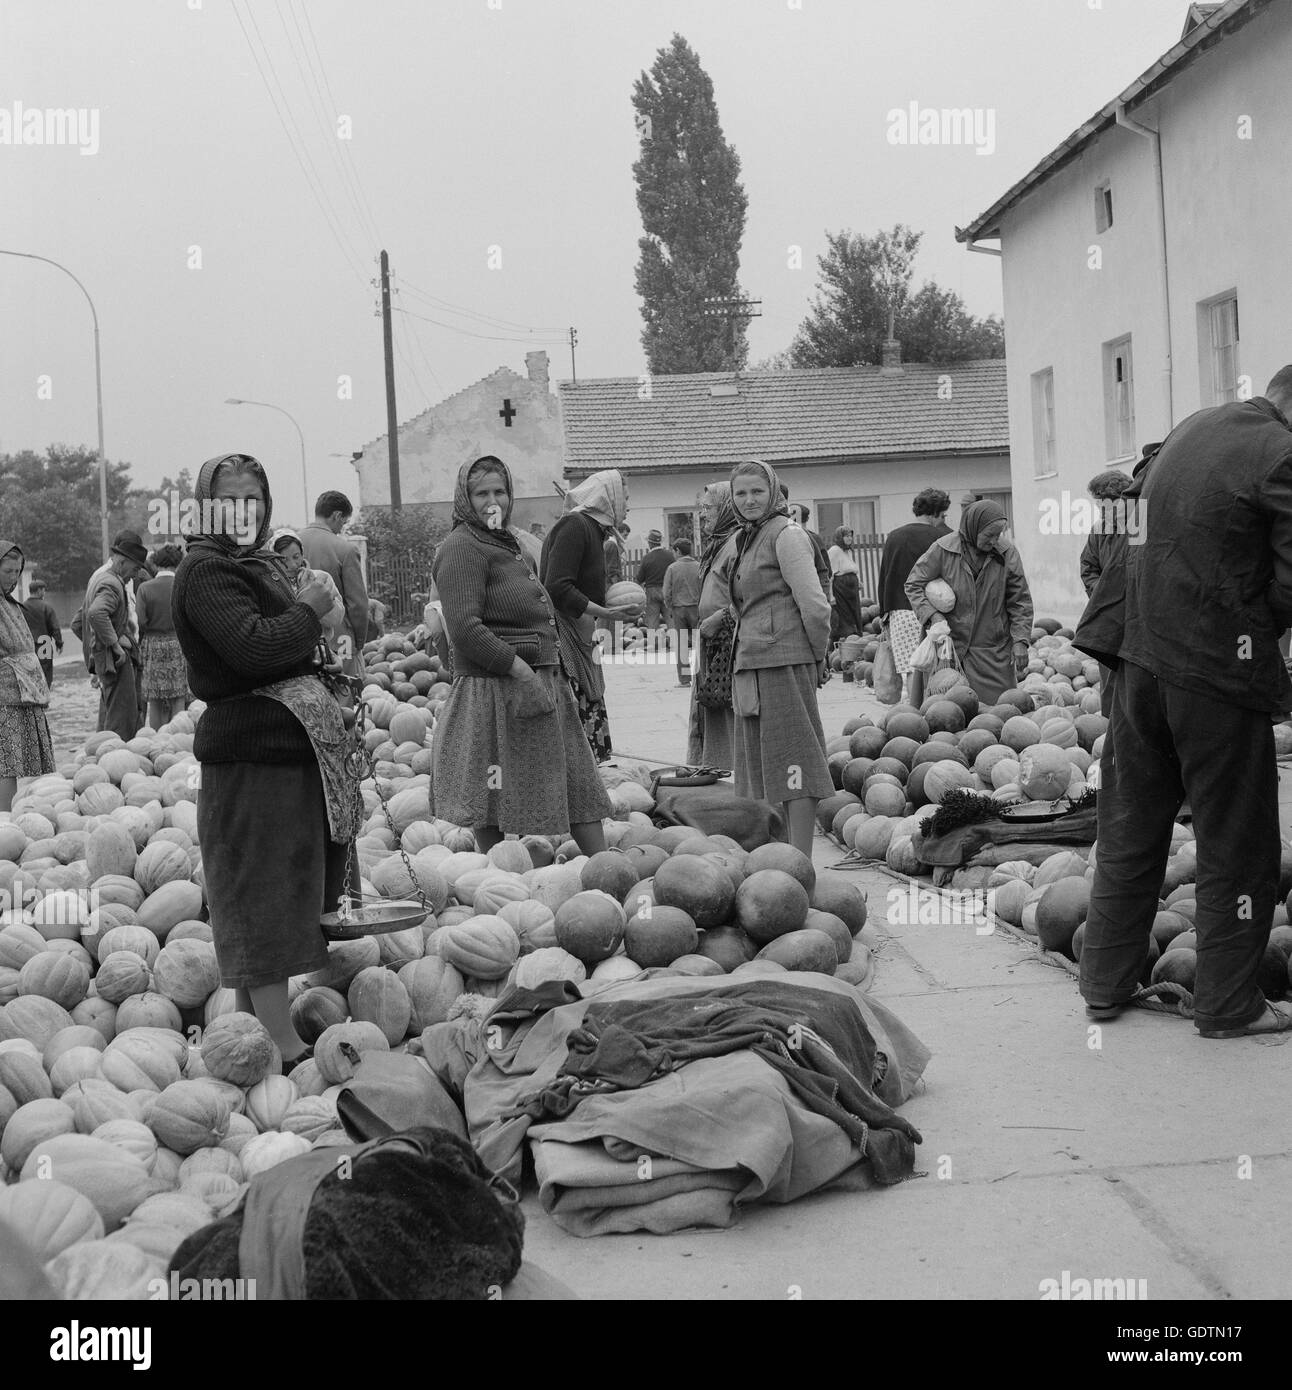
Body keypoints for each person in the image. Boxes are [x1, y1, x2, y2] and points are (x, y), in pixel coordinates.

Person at [1079, 368, 1292, 1039]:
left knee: (1131, 824)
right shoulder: (1282, 453)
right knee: (1238, 841)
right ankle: (1229, 1004)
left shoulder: (1195, 427)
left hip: (1137, 662)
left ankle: (1105, 984)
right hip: (1213, 669)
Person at [173, 453, 353, 1066]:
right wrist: (310, 609)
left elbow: (290, 644)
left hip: (283, 747)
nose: (243, 510)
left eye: (254, 498)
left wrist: (311, 618)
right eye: (229, 498)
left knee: (281, 882)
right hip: (249, 754)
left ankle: (246, 1032)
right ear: (206, 505)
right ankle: (282, 1043)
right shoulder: (205, 571)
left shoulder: (257, 564)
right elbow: (254, 649)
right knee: (263, 892)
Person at [432, 456, 612, 854]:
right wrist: (519, 670)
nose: (492, 501)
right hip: (496, 687)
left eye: (500, 491)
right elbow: (464, 628)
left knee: (576, 779)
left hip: (541, 680)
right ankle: (501, 873)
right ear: (465, 498)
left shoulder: (507, 542)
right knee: (492, 793)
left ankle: (604, 867)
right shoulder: (461, 547)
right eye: (482, 493)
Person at [725, 460, 833, 858]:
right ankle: (786, 852)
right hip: (755, 660)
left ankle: (801, 861)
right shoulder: (748, 537)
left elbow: (815, 605)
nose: (749, 500)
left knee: (796, 760)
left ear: (772, 492)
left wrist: (818, 655)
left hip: (784, 660)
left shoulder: (786, 535)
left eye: (757, 491)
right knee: (773, 763)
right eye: (740, 493)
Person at [541, 468, 638, 763]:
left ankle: (592, 780)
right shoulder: (575, 526)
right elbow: (557, 587)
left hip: (582, 638)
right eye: (626, 498)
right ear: (609, 497)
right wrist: (605, 611)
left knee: (589, 705)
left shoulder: (594, 531)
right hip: (565, 640)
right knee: (575, 714)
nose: (629, 505)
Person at [904, 500, 1032, 706]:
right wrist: (933, 615)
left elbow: (1020, 601)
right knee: (945, 715)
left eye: (998, 535)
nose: (994, 540)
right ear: (973, 528)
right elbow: (913, 584)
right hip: (948, 647)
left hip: (992, 649)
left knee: (997, 715)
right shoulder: (942, 549)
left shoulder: (1007, 553)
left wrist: (1020, 641)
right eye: (989, 535)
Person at [1073, 460, 1158, 717]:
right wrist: (1103, 592)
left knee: (1136, 681)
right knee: (1109, 680)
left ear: (1121, 501)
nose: (1101, 511)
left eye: (1104, 505)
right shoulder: (1099, 531)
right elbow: (1088, 566)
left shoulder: (1141, 529)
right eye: (1098, 506)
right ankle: (1111, 728)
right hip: (1107, 618)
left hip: (1137, 619)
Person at [877, 489, 952, 706]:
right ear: (936, 513)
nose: (943, 520)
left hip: (900, 612)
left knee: (912, 667)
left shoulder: (894, 536)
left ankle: (915, 715)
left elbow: (885, 577)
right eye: (943, 515)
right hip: (934, 612)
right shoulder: (942, 539)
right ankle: (935, 712)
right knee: (939, 668)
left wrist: (885, 614)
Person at [687, 481, 741, 769]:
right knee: (712, 710)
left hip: (728, 642)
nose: (703, 514)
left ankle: (731, 770)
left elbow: (750, 595)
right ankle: (717, 767)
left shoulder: (736, 544)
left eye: (708, 508)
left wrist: (721, 617)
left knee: (726, 710)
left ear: (726, 510)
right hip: (712, 640)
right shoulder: (718, 543)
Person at [0, 541, 55, 811]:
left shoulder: (9, 602)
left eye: (17, 572)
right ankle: (5, 821)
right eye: (8, 571)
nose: (13, 578)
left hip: (23, 692)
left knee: (17, 761)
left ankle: (16, 816)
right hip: (5, 695)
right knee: (6, 763)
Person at [83, 530, 150, 742]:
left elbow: (80, 622)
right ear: (122, 561)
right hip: (117, 661)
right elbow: (96, 613)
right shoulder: (111, 583)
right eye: (136, 568)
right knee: (122, 721)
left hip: (108, 660)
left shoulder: (100, 578)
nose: (136, 574)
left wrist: (100, 643)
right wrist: (115, 643)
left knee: (113, 717)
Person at [300, 490, 370, 674]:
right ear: (337, 515)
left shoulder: (290, 544)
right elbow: (357, 604)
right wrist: (359, 641)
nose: (342, 528)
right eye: (344, 522)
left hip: (299, 638)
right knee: (345, 692)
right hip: (339, 637)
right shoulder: (345, 549)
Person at [136, 544, 189, 728]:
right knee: (178, 695)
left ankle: (157, 738)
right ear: (178, 563)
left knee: (155, 698)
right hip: (179, 642)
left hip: (153, 643)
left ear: (156, 563)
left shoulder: (145, 588)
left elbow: (141, 621)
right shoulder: (184, 585)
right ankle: (179, 735)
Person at [271, 529, 345, 647]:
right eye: (283, 559)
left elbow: (335, 619)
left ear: (302, 554)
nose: (292, 565)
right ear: (273, 559)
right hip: (285, 653)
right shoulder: (269, 585)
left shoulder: (321, 578)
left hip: (319, 650)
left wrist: (311, 590)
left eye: (296, 557)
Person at [662, 537, 701, 688]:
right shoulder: (699, 566)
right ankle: (701, 677)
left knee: (682, 646)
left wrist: (669, 606)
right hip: (696, 608)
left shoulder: (672, 568)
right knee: (700, 644)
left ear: (678, 551)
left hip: (679, 609)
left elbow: (666, 592)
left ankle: (685, 680)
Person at [786, 501, 833, 601]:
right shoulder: (815, 538)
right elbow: (827, 570)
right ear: (807, 519)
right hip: (815, 591)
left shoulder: (786, 538)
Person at [21, 577, 62, 689]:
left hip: (28, 648)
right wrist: (59, 643)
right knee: (46, 675)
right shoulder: (46, 607)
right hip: (45, 646)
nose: (44, 592)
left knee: (30, 674)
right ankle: (45, 699)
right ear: (39, 590)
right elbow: (55, 628)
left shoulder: (22, 607)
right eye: (43, 590)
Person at [827, 526, 864, 643]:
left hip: (850, 591)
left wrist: (858, 581)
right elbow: (830, 575)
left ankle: (854, 640)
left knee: (854, 615)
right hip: (841, 590)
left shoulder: (846, 551)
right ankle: (843, 644)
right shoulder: (834, 550)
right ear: (840, 537)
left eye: (850, 536)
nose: (849, 538)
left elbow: (850, 568)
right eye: (846, 536)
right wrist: (831, 596)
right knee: (845, 618)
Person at [635, 530, 676, 634]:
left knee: (652, 621)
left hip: (652, 591)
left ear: (650, 543)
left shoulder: (646, 558)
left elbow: (639, 578)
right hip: (667, 590)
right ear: (659, 542)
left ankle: (654, 645)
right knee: (671, 620)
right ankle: (674, 643)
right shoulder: (670, 556)